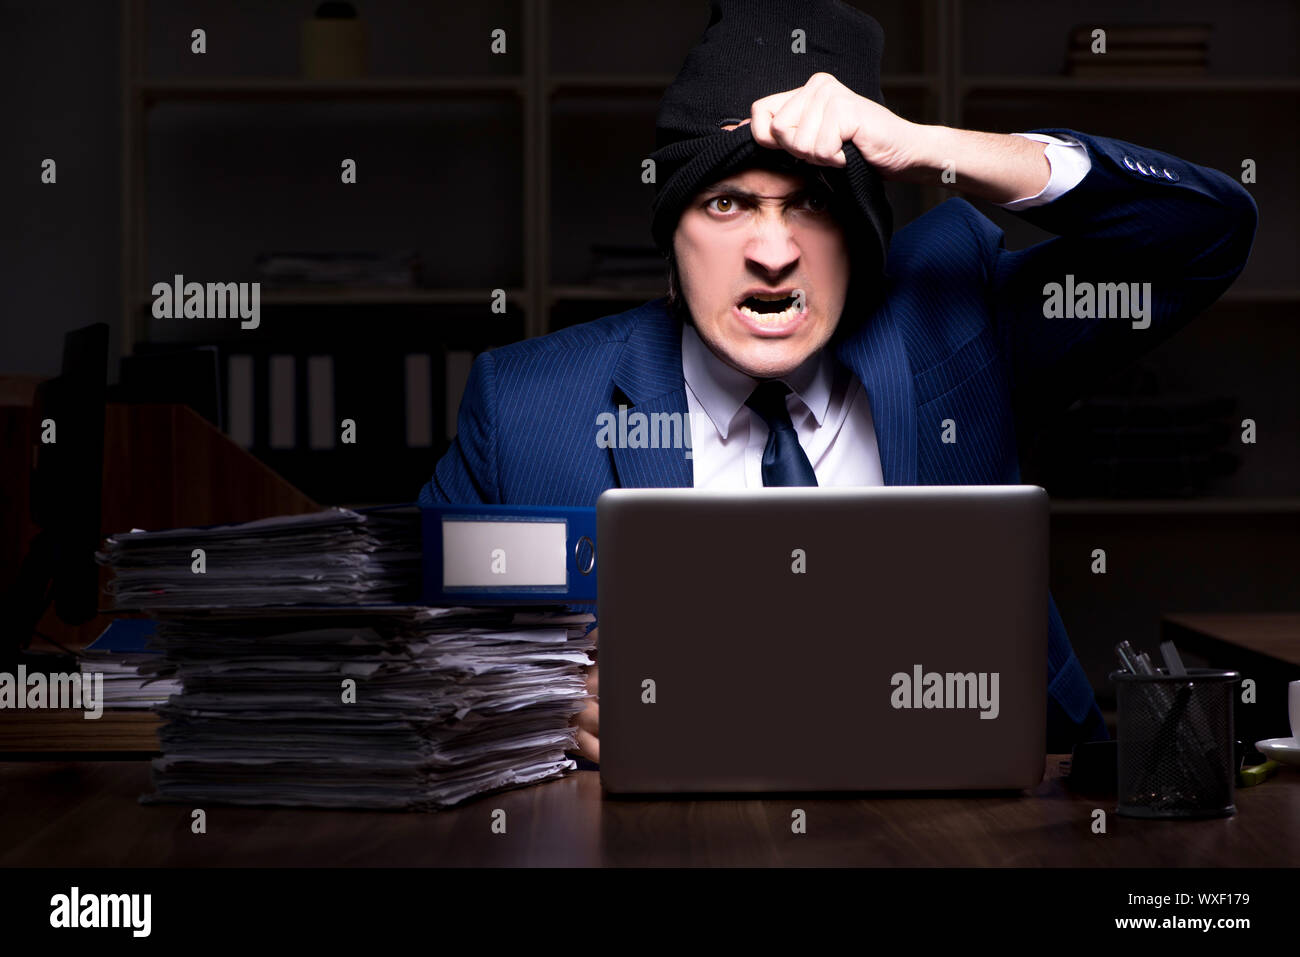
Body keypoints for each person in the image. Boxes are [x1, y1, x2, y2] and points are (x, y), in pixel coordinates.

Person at [419, 0, 1257, 763]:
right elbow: (401, 658)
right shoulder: (529, 406)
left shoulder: (954, 325)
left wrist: (933, 146)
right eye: (726, 204)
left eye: (814, 205)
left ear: (863, 237)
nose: (774, 252)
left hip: (987, 827)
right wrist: (546, 705)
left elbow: (1205, 236)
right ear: (668, 240)